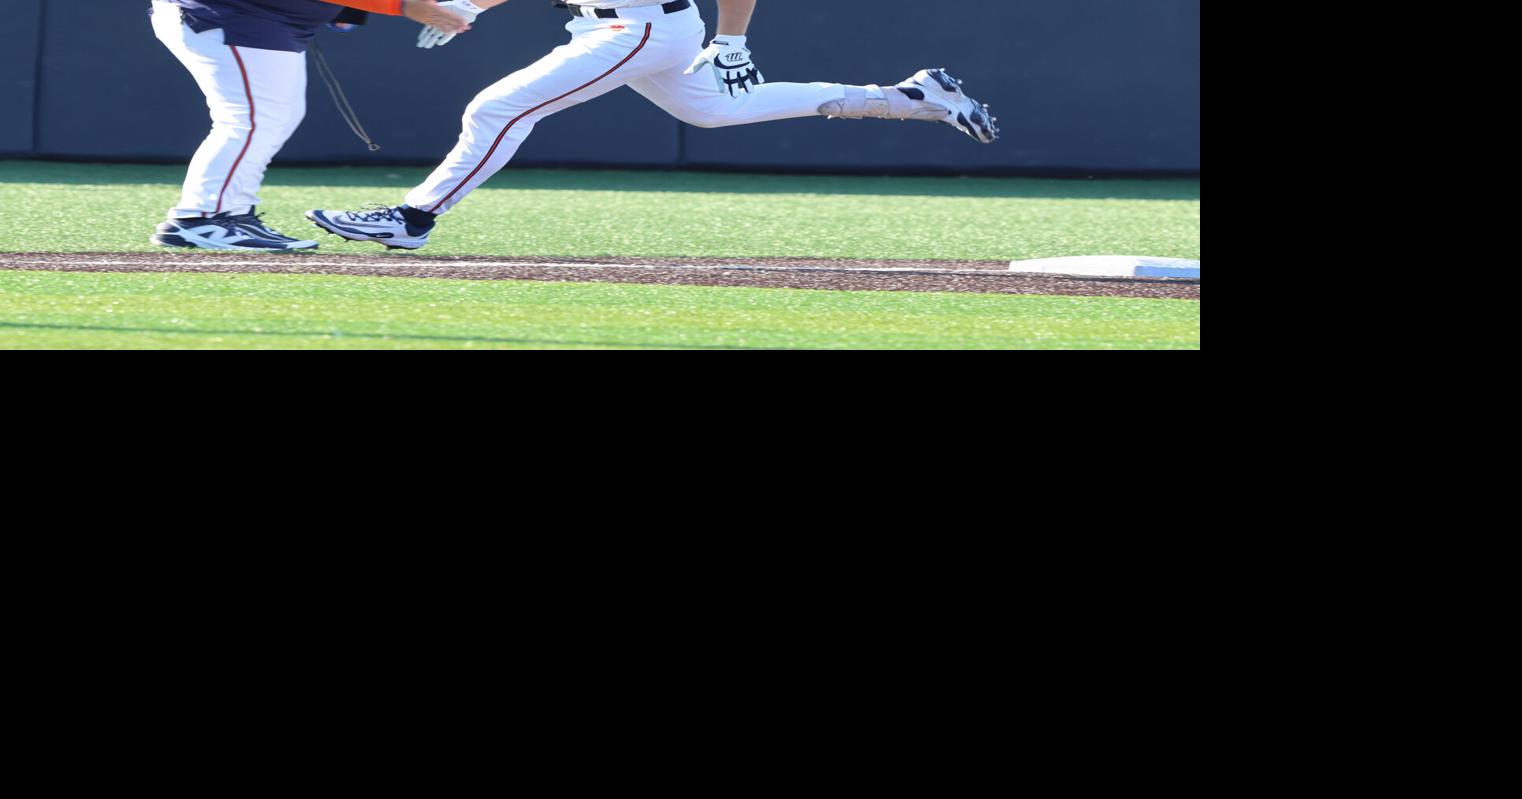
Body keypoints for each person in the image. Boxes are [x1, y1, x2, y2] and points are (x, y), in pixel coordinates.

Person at [306, 0, 997, 250]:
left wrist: (732, 41)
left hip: (639, 25)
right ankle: (911, 96)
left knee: (495, 108)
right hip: (616, 23)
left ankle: (415, 216)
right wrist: (471, 7)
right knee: (714, 111)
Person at [149, 0, 472, 251]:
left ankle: (230, 214)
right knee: (253, 120)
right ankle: (202, 217)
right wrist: (401, 5)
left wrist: (348, 10)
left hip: (257, 19)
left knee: (270, 118)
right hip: (229, 16)